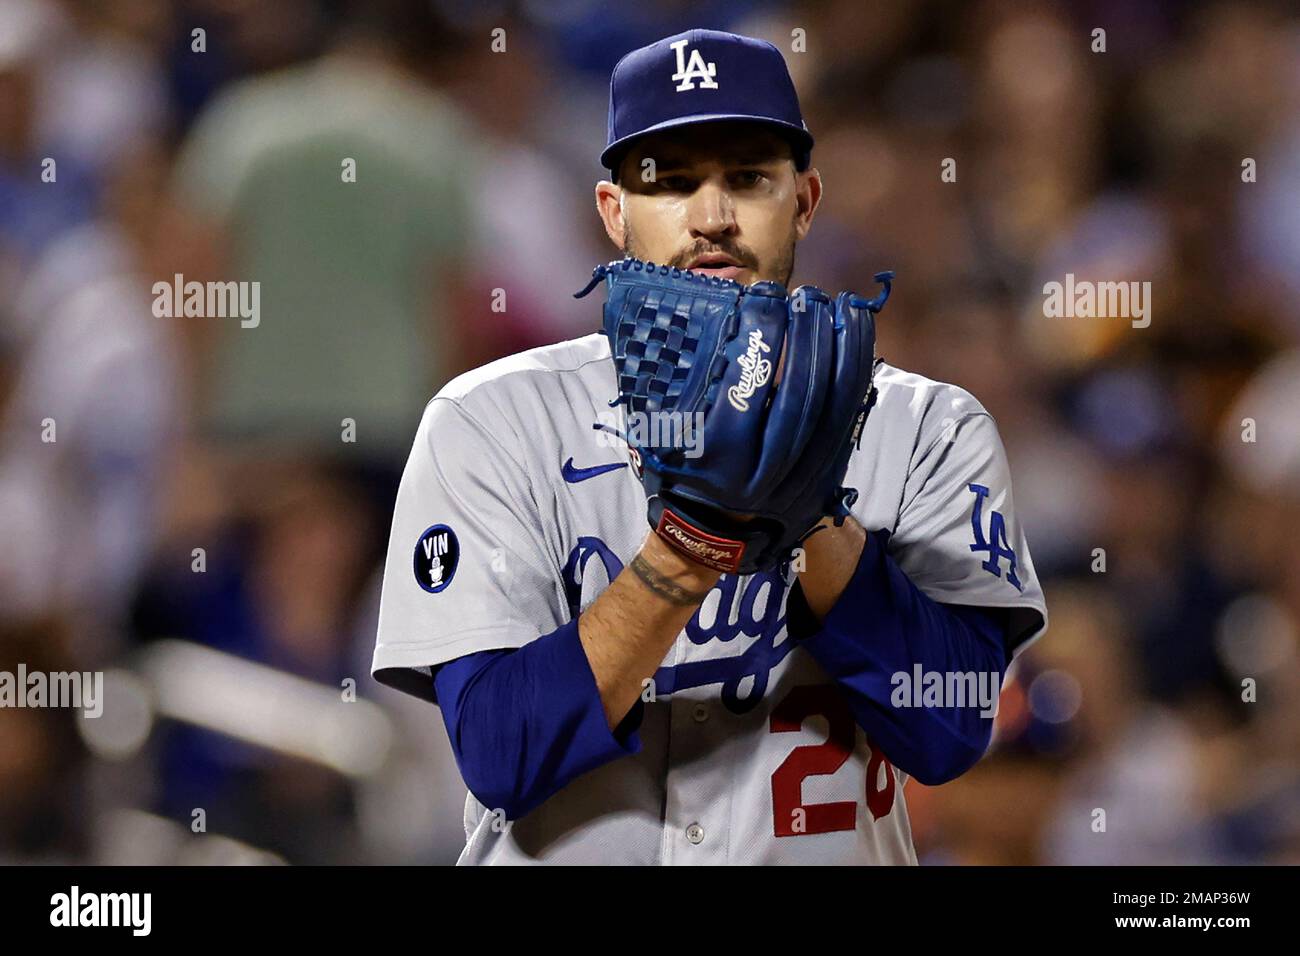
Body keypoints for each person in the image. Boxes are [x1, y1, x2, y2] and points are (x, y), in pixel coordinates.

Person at [371, 29, 1047, 865]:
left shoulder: (929, 430)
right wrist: (691, 545)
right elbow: (501, 750)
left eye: (748, 178)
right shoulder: (492, 421)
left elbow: (949, 729)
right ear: (614, 214)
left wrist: (814, 524)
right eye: (672, 182)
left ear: (804, 202)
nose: (712, 216)